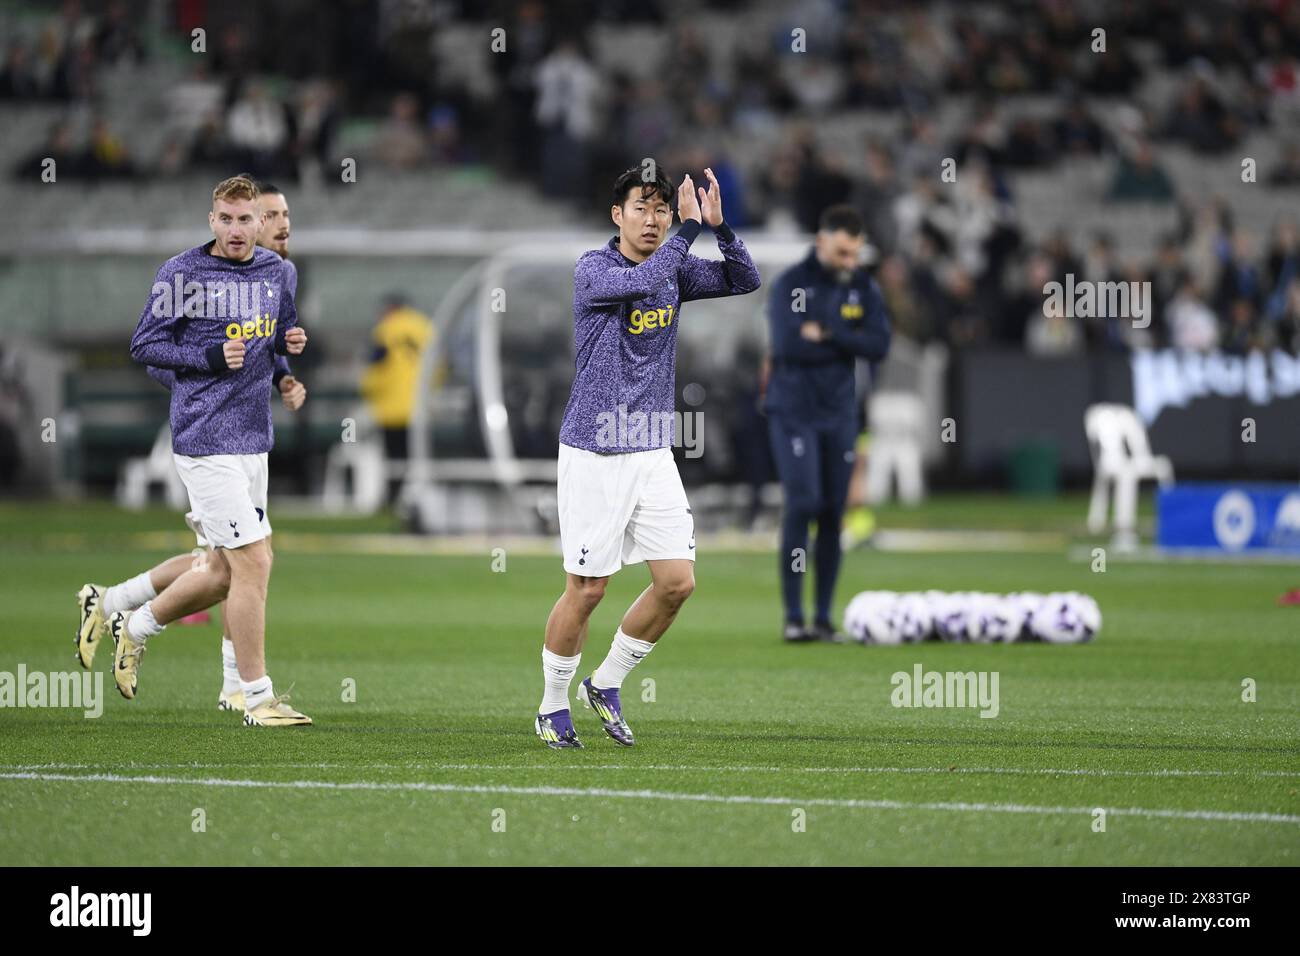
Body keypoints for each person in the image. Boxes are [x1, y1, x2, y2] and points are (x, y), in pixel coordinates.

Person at [536, 165, 761, 748]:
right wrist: (687, 232)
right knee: (586, 590)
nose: (655, 219)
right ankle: (551, 704)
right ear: (617, 215)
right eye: (643, 207)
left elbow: (745, 279)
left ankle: (605, 684)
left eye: (663, 209)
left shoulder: (673, 267)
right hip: (595, 449)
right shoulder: (595, 270)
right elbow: (654, 273)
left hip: (653, 448)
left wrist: (719, 227)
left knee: (677, 583)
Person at [78, 178, 309, 717]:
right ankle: (254, 697)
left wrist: (286, 347)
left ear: (259, 223)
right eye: (225, 219)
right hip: (204, 438)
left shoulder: (275, 272)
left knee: (224, 571)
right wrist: (206, 358)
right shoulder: (182, 273)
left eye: (245, 220)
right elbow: (145, 343)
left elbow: (271, 333)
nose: (236, 229)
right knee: (254, 564)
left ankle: (127, 620)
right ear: (211, 220)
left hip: (254, 440)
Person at [764, 205, 891, 642]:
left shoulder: (862, 287)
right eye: (842, 253)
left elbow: (880, 345)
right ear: (822, 242)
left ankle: (822, 619)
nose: (849, 263)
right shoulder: (791, 285)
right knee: (803, 503)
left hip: (839, 415)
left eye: (854, 254)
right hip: (794, 412)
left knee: (833, 512)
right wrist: (845, 343)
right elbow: (788, 346)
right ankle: (794, 617)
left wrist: (830, 333)